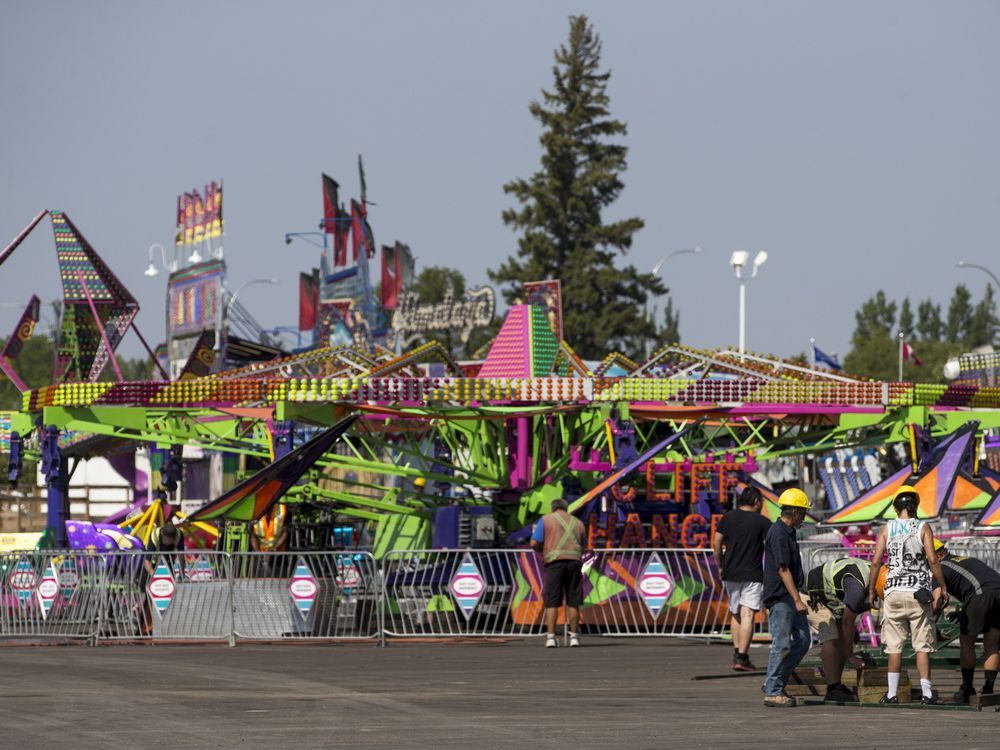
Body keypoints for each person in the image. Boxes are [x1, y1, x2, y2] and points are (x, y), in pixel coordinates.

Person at [867, 485, 949, 705]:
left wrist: (871, 590)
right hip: (918, 593)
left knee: (894, 646)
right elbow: (933, 560)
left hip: (892, 592)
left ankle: (892, 694)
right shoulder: (923, 526)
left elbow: (876, 561)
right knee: (922, 645)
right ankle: (927, 693)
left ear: (896, 507)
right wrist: (942, 585)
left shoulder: (887, 528)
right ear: (916, 506)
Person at [761, 488, 812, 707]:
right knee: (782, 644)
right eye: (803, 512)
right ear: (793, 511)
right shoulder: (778, 533)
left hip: (790, 595)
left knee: (802, 640)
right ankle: (773, 690)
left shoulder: (789, 532)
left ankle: (775, 680)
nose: (804, 517)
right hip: (781, 597)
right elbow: (783, 570)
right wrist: (798, 599)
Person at [713, 485, 771, 671]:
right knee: (748, 614)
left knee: (735, 613)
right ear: (756, 501)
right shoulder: (762, 522)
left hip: (730, 572)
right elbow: (771, 546)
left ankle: (737, 652)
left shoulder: (728, 517)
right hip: (752, 573)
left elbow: (717, 543)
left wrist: (721, 565)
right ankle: (742, 657)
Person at [934, 539, 1000, 703]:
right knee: (991, 644)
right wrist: (965, 611)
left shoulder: (939, 568)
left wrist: (929, 624)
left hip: (980, 596)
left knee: (966, 642)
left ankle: (967, 688)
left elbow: (936, 602)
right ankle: (988, 689)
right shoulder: (966, 559)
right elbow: (975, 583)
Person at [801, 557, 871, 702]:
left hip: (826, 598)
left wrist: (850, 632)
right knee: (831, 637)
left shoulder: (871, 573)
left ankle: (836, 686)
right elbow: (847, 622)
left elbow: (847, 619)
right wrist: (851, 656)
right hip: (811, 596)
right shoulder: (858, 587)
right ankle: (833, 688)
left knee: (843, 637)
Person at [530, 498, 586, 648]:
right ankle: (574, 637)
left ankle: (551, 637)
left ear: (553, 508)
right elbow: (583, 547)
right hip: (574, 563)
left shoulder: (546, 520)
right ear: (566, 508)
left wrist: (542, 550)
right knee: (574, 601)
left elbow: (534, 542)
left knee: (552, 601)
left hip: (554, 564)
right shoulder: (578, 522)